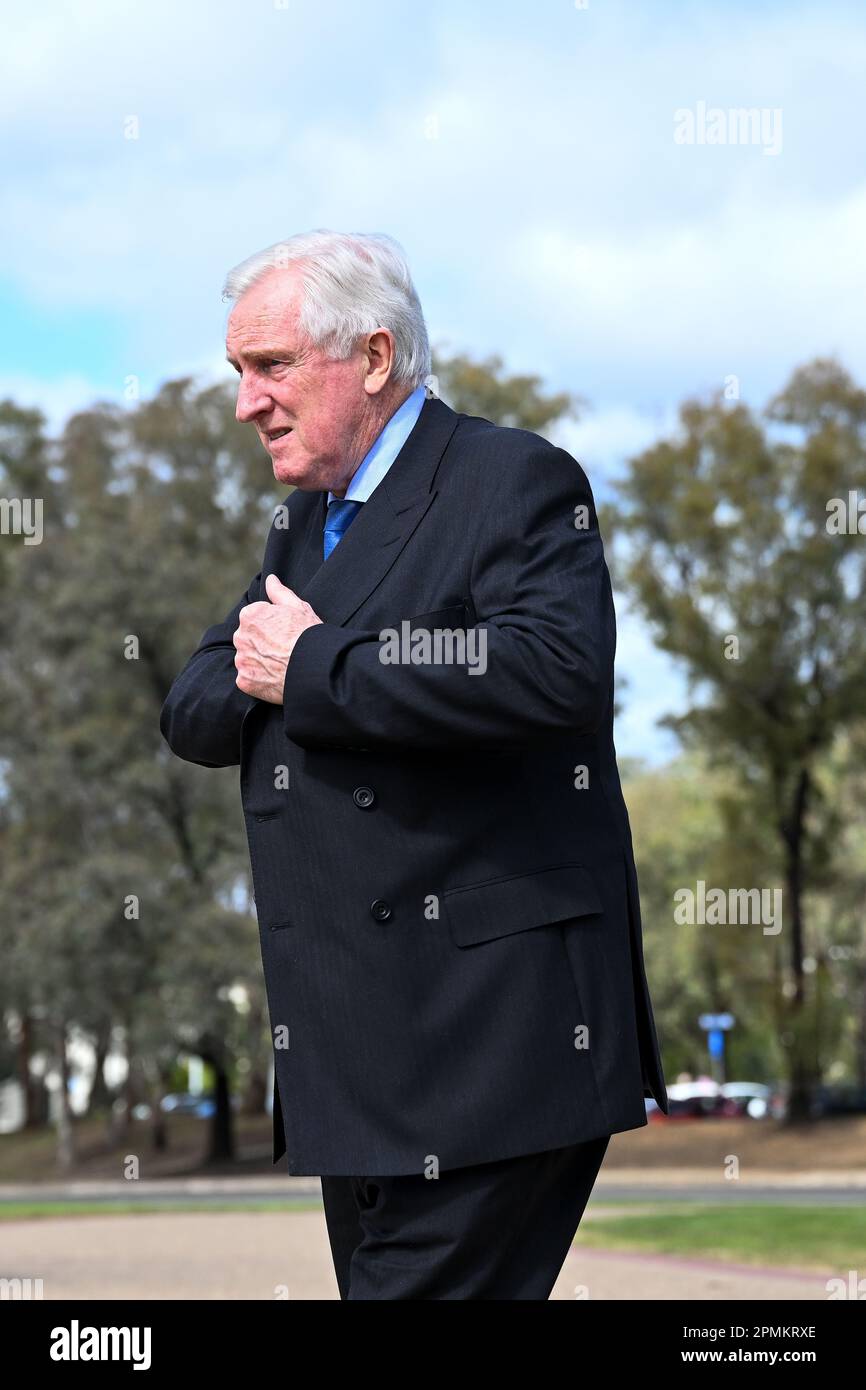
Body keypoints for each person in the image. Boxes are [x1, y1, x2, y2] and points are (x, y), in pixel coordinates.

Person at [159, 228, 668, 1300]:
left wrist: (313, 666)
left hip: (496, 1040)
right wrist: (284, 667)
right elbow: (198, 705)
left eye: (272, 366)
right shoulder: (301, 527)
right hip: (359, 1061)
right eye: (238, 373)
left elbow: (552, 668)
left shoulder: (512, 478)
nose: (247, 402)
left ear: (376, 357)